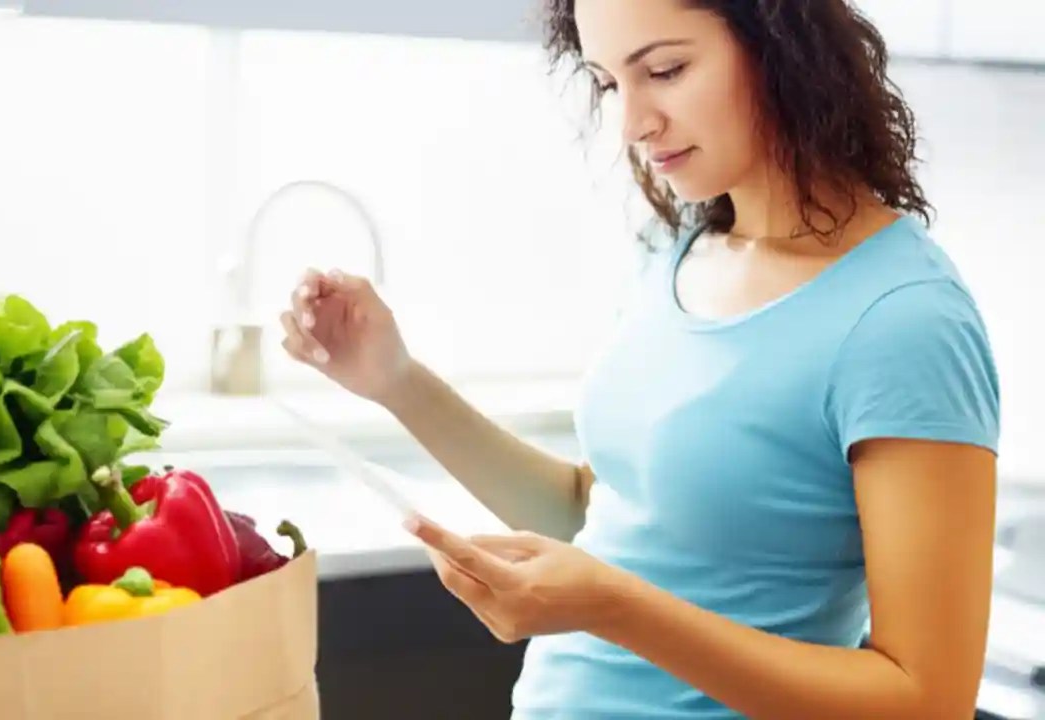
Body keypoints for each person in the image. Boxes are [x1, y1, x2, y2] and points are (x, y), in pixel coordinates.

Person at [279, 0, 1000, 717]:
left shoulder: (903, 320)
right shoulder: (680, 251)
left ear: (784, 40)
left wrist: (611, 606)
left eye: (665, 70)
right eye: (609, 83)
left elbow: (926, 700)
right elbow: (597, 518)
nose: (632, 123)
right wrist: (397, 382)